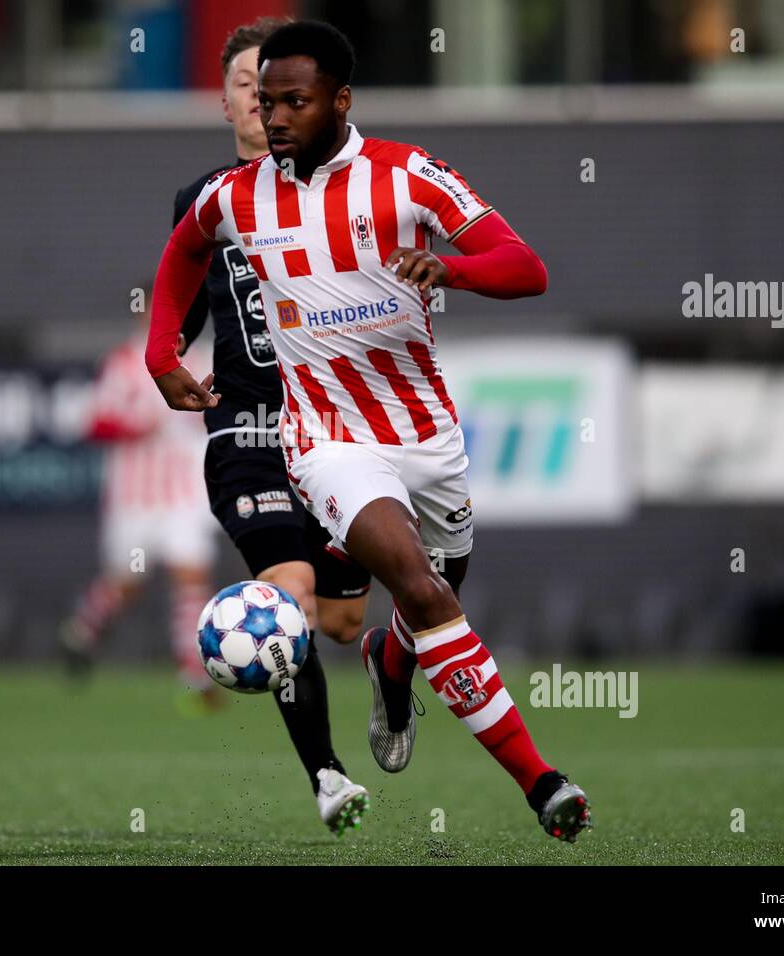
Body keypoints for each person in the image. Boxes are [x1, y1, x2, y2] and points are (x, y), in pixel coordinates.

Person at [146, 20, 590, 842]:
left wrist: (449, 267)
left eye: (292, 101)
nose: (274, 117)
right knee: (425, 590)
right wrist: (159, 352)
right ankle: (542, 784)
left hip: (425, 435)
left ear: (340, 100)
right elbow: (182, 252)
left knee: (414, 605)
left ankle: (394, 663)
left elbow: (526, 267)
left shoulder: (408, 174)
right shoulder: (233, 196)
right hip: (321, 439)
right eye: (263, 99)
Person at [167, 16, 374, 836]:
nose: (264, 103)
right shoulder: (206, 200)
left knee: (343, 620)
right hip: (247, 435)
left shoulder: (343, 188)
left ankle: (386, 675)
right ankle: (326, 775)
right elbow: (176, 313)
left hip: (336, 429)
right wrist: (171, 363)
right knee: (286, 599)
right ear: (226, 104)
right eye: (248, 88)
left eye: (278, 88)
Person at [61, 297, 221, 713]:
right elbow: (94, 421)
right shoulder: (125, 363)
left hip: (187, 494)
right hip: (136, 497)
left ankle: (194, 674)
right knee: (126, 583)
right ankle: (85, 629)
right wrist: (140, 422)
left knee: (190, 573)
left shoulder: (203, 358)